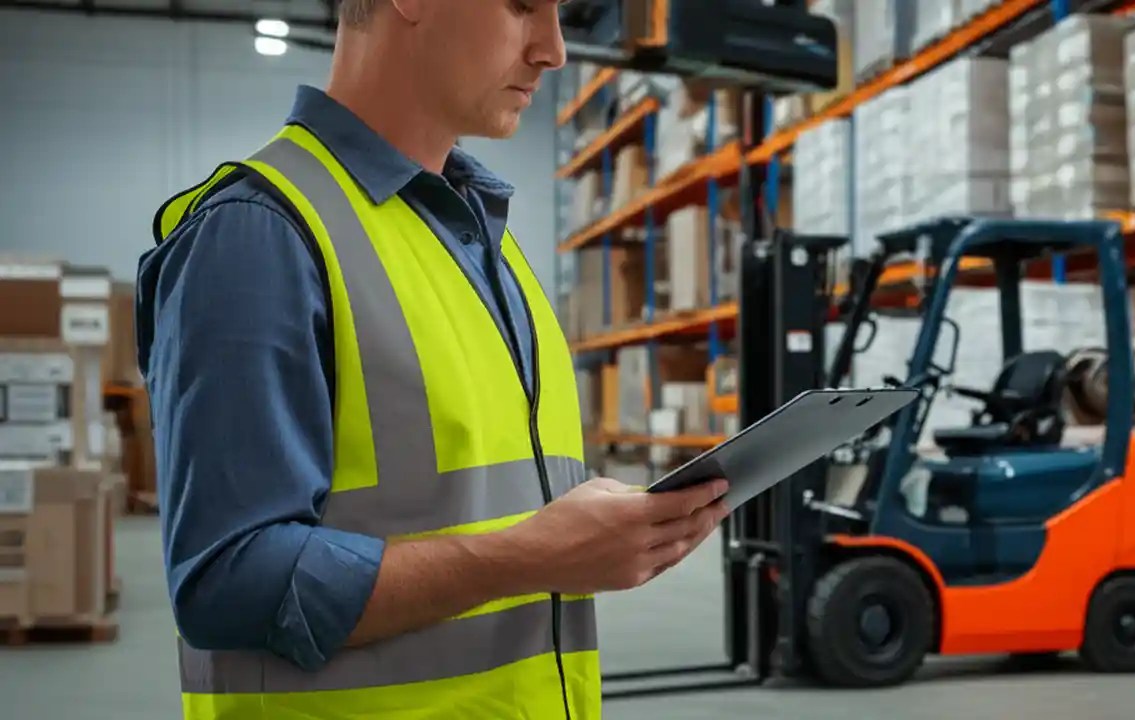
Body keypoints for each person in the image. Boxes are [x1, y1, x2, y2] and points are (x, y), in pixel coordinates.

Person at [135, 1, 730, 718]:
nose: (554, 51)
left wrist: (604, 532)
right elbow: (226, 583)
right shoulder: (258, 237)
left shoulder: (484, 239)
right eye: (522, 7)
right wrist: (533, 555)